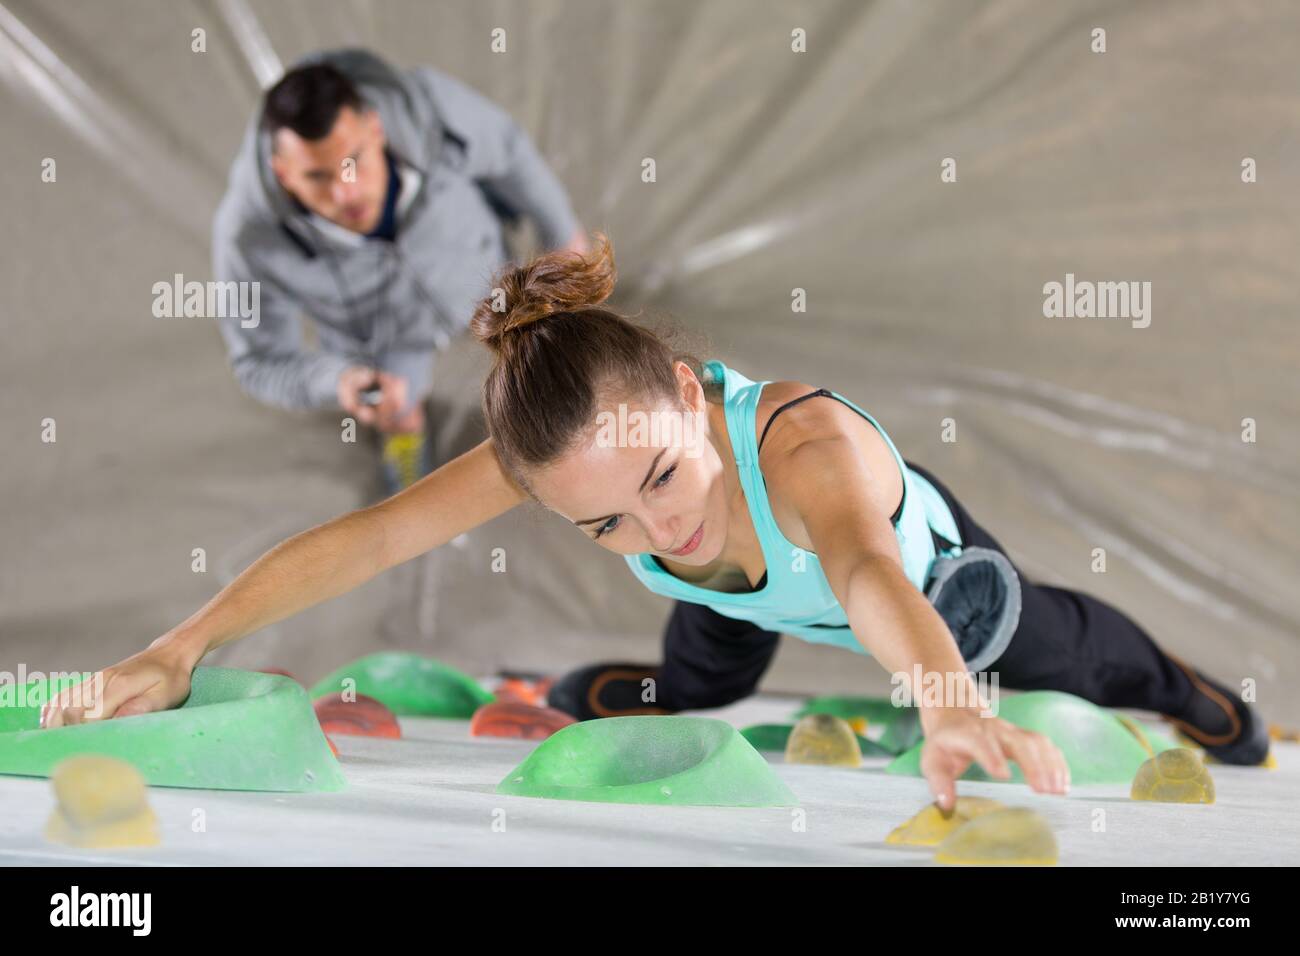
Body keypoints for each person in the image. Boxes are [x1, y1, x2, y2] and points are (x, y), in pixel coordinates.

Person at [45, 234, 1270, 811]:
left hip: (925, 601)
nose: (654, 525)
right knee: (695, 672)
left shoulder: (800, 447)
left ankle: (1187, 685)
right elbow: (368, 539)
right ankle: (670, 675)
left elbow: (856, 571)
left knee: (1055, 648)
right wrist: (178, 647)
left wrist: (948, 703)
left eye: (666, 479)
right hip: (741, 602)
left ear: (692, 393)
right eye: (604, 527)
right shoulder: (606, 492)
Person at [212, 48, 589, 493]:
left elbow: (509, 151)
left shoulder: (431, 109)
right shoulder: (245, 237)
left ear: (376, 128)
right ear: (283, 174)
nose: (346, 193)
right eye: (318, 177)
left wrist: (565, 239)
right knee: (396, 406)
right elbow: (259, 361)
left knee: (555, 362)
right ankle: (404, 435)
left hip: (483, 276)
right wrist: (340, 382)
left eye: (354, 160)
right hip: (382, 343)